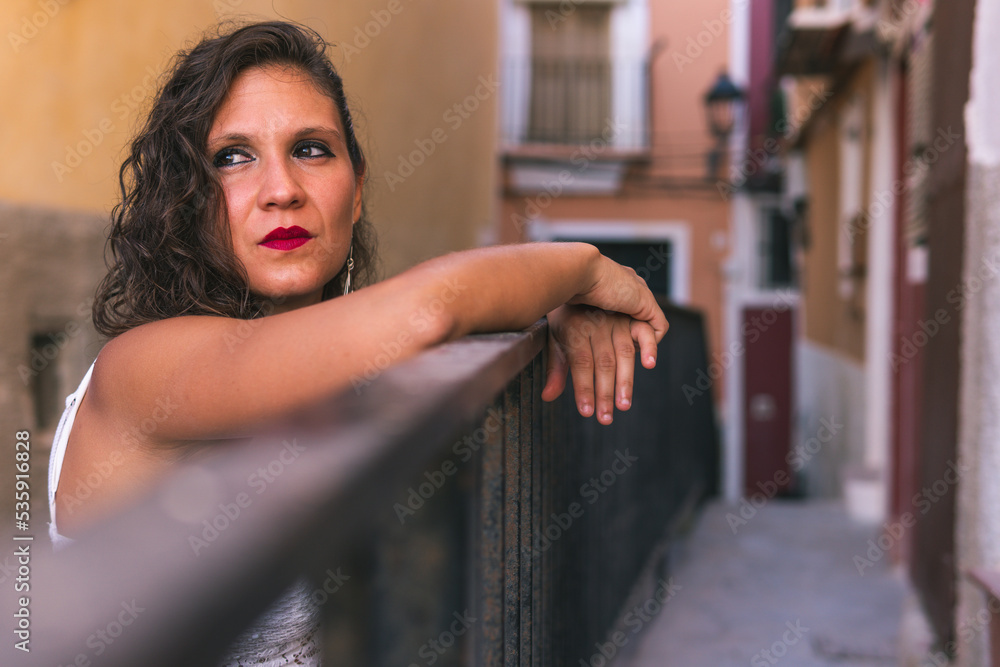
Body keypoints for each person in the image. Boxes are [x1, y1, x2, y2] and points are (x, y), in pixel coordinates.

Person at [46, 20, 668, 666]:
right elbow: (431, 310)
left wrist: (543, 307)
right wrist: (584, 268)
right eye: (232, 156)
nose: (282, 190)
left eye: (312, 149)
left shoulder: (346, 360)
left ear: (358, 183)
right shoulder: (144, 367)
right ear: (184, 196)